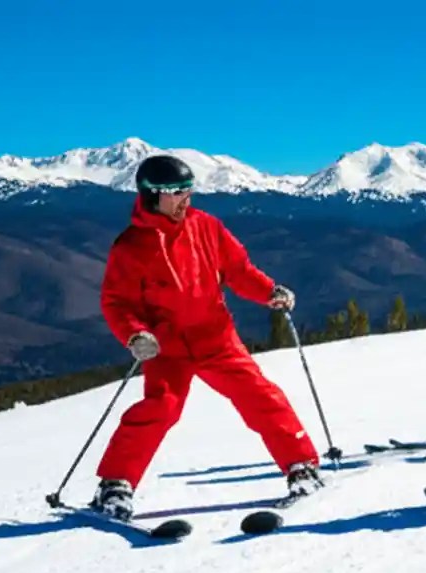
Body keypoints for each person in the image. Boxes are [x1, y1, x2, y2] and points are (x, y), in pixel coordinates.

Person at [91, 154, 323, 520]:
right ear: (153, 195)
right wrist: (135, 334)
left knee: (259, 395)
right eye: (177, 191)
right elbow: (117, 302)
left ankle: (301, 466)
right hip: (167, 347)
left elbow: (237, 269)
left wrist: (268, 291)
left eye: (189, 189)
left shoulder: (206, 226)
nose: (187, 198)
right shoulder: (131, 246)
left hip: (215, 336)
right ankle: (115, 486)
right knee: (160, 407)